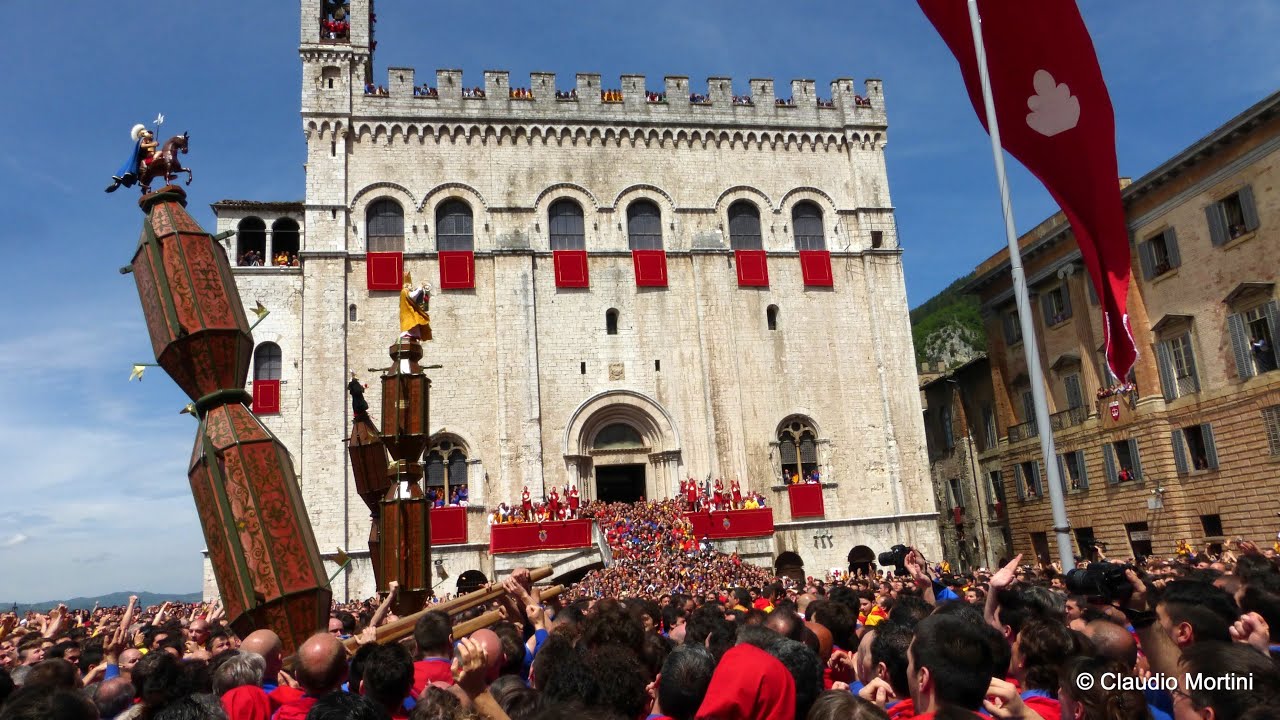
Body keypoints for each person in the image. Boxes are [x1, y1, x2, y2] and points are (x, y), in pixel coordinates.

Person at [106, 123, 158, 193]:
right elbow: (142, 146)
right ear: (142, 134)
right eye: (147, 132)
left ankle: (142, 182)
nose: (150, 134)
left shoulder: (148, 141)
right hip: (139, 160)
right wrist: (152, 144)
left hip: (141, 159)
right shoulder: (143, 139)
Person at [398, 273, 432, 341]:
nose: (411, 287)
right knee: (415, 320)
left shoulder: (405, 292)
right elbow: (412, 296)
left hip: (409, 312)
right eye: (410, 285)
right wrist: (420, 287)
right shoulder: (404, 291)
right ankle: (409, 335)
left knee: (417, 320)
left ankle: (414, 336)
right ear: (407, 285)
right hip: (408, 313)